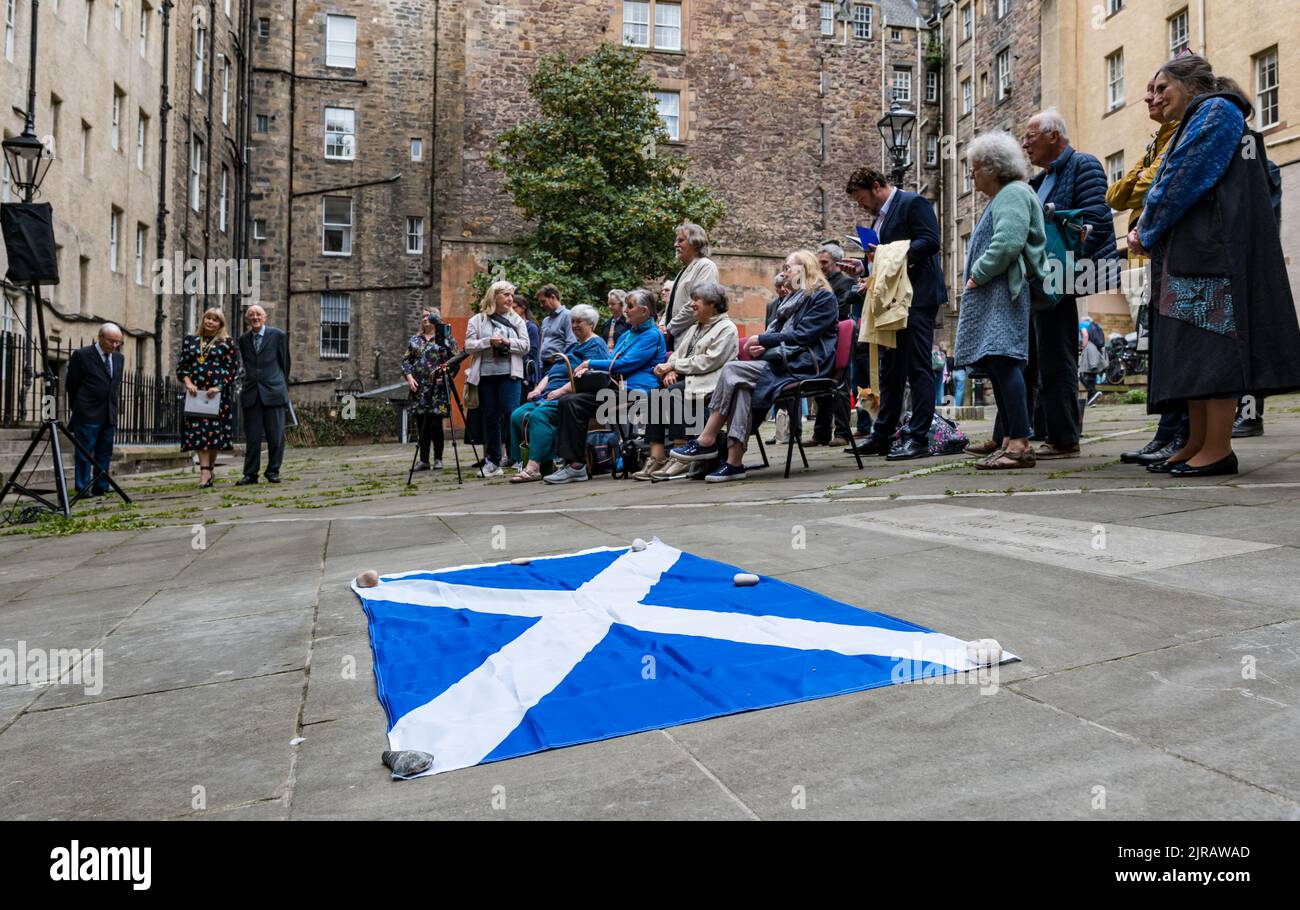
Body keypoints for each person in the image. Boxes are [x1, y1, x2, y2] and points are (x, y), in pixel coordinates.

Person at [1129, 54, 1300, 477]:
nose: (1155, 97)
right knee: (1191, 351)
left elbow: (1182, 178)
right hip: (1196, 253)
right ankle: (1198, 440)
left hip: (1210, 256)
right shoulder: (1205, 115)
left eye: (1163, 88)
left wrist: (1146, 228)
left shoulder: (1216, 110)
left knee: (1212, 352)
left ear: (1190, 85)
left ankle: (1219, 448)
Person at [670, 250, 838, 483]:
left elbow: (803, 335)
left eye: (788, 267)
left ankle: (706, 440)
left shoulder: (822, 297)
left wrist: (762, 341)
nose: (784, 273)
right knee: (741, 389)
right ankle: (733, 463)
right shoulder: (790, 300)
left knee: (731, 370)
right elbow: (780, 335)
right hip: (781, 362)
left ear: (805, 269)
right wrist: (765, 347)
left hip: (804, 364)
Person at [1022, 108, 1118, 459]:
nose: (1025, 143)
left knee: (1056, 357)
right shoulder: (1040, 178)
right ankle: (1040, 431)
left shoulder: (1084, 165)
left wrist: (1065, 271)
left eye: (1031, 136)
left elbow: (1096, 222)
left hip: (1060, 280)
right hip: (1042, 281)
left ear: (1053, 135)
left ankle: (1063, 438)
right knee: (1037, 358)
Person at [840, 167, 948, 461]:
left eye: (861, 198)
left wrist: (887, 252)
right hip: (892, 301)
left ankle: (918, 436)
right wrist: (862, 268)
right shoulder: (878, 219)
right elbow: (879, 262)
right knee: (891, 370)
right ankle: (883, 434)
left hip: (917, 296)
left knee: (918, 366)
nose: (861, 205)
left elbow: (930, 242)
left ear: (876, 187)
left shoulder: (913, 203)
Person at [955, 131, 1047, 470]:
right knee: (999, 364)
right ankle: (1010, 439)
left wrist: (978, 273)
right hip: (997, 294)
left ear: (994, 168)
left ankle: (1020, 443)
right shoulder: (1006, 195)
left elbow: (1008, 242)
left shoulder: (1012, 194)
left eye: (976, 168)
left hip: (1002, 293)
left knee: (1006, 363)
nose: (972, 175)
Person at [1112, 72, 1190, 466]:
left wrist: (1140, 180)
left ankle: (1179, 432)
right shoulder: (1156, 141)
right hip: (1154, 252)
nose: (1149, 98)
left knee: (1175, 343)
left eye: (1159, 90)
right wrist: (1140, 177)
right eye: (1148, 90)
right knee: (1160, 342)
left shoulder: (1183, 135)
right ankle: (1168, 430)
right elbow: (1118, 194)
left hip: (1175, 249)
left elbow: (1152, 186)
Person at [544, 290, 666, 485]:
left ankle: (575, 466)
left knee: (574, 403)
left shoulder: (652, 335)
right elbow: (611, 362)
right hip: (617, 388)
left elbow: (625, 364)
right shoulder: (627, 334)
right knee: (568, 401)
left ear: (643, 311)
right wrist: (589, 371)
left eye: (630, 306)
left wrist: (589, 364)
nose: (626, 310)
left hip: (635, 391)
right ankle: (575, 464)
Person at [636, 281, 739, 481]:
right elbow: (677, 354)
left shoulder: (727, 329)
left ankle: (680, 455)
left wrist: (675, 367)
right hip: (691, 379)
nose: (692, 305)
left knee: (673, 394)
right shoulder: (695, 327)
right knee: (655, 395)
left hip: (711, 383)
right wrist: (670, 368)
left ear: (712, 304)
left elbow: (708, 362)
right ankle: (657, 456)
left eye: (696, 301)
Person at [508, 304, 606, 483]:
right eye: (573, 322)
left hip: (569, 394)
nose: (575, 325)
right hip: (548, 393)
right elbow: (552, 373)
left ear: (591, 324)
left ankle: (534, 467)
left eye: (579, 322)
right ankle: (522, 461)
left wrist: (560, 391)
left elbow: (587, 377)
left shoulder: (596, 345)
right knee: (517, 415)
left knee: (540, 416)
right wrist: (538, 389)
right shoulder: (573, 345)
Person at [465, 280, 531, 477]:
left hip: (510, 375)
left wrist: (507, 342)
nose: (510, 299)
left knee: (512, 414)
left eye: (512, 295)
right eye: (505, 295)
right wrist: (488, 342)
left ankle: (519, 459)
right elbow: (468, 346)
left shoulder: (517, 320)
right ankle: (493, 462)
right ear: (494, 297)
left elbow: (526, 346)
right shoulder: (477, 320)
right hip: (485, 375)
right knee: (490, 417)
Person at [177, 308, 238, 488]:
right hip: (197, 393)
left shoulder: (227, 342)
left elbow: (232, 369)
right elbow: (182, 367)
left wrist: (219, 387)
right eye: (208, 318)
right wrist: (188, 383)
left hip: (217, 395)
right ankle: (204, 471)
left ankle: (209, 470)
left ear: (221, 324)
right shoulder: (192, 341)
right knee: (200, 432)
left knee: (214, 434)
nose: (210, 322)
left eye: (215, 320)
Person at [65, 323, 125, 497]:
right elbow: (72, 384)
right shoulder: (82, 355)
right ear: (100, 338)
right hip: (87, 412)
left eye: (118, 342)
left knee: (105, 452)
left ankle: (101, 485)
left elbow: (114, 385)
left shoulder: (119, 358)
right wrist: (78, 408)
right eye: (111, 341)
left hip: (108, 413)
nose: (114, 346)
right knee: (84, 452)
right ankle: (82, 487)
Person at [807, 242, 858, 446]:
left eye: (825, 262)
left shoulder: (844, 283)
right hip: (823, 341)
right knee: (821, 389)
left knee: (840, 386)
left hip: (839, 340)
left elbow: (840, 312)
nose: (821, 266)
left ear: (837, 262)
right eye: (819, 263)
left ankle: (843, 433)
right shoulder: (820, 286)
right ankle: (821, 433)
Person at [237, 305, 291, 485]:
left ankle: (273, 471)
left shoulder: (278, 336)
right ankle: (250, 474)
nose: (255, 317)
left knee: (275, 436)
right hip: (252, 392)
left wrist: (281, 385)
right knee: (252, 437)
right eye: (251, 314)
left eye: (258, 314)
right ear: (247, 319)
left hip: (273, 391)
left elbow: (285, 364)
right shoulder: (243, 340)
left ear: (265, 317)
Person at [401, 307, 459, 472]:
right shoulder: (415, 340)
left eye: (428, 316)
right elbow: (406, 361)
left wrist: (446, 376)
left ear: (436, 318)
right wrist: (409, 377)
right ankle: (424, 460)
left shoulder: (446, 339)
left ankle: (438, 459)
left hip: (438, 389)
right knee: (422, 424)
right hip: (419, 388)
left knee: (435, 424)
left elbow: (455, 361)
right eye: (423, 317)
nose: (425, 319)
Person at [660, 222, 720, 349]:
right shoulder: (683, 271)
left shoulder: (706, 266)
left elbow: (696, 305)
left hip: (692, 342)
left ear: (696, 243)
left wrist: (670, 329)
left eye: (681, 240)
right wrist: (662, 325)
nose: (675, 245)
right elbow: (671, 305)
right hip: (677, 339)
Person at [536, 284, 575, 368]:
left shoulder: (567, 315)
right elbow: (542, 343)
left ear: (553, 297)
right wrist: (540, 364)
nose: (541, 305)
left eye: (543, 301)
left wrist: (561, 362)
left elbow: (571, 342)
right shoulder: (545, 320)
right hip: (545, 365)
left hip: (559, 364)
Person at [511, 296, 542, 396]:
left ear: (523, 308)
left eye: (514, 308)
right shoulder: (512, 327)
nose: (512, 311)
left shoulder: (531, 327)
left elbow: (532, 351)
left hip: (528, 374)